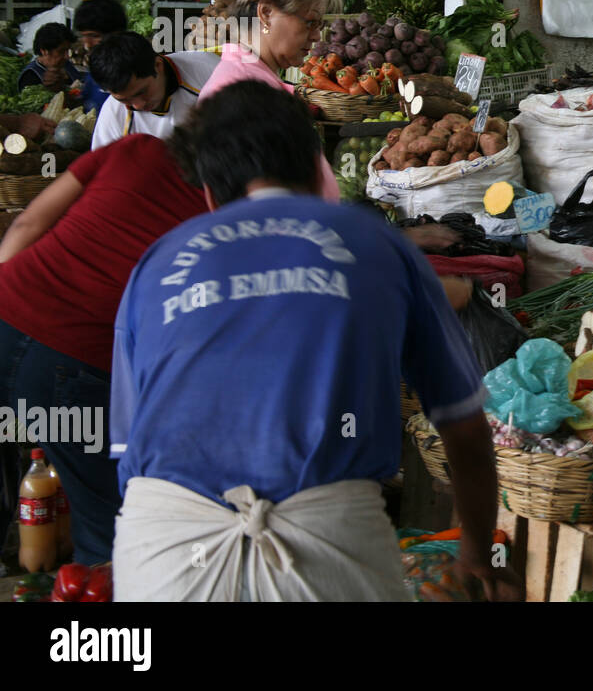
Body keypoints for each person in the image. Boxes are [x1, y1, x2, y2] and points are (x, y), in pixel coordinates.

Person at [109, 82, 517, 601]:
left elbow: (127, 455)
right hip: (327, 553)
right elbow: (463, 428)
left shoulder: (157, 263)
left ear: (209, 191)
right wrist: (479, 552)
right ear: (313, 167)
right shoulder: (375, 241)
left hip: (164, 560)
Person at [0, 133, 209, 565]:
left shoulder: (136, 148)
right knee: (108, 528)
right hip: (73, 361)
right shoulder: (220, 219)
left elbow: (25, 225)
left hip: (7, 303)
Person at [198, 0, 341, 200]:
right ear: (266, 13)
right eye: (310, 21)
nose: (317, 34)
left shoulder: (251, 81)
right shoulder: (244, 96)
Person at [88, 31, 219, 149]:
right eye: (125, 100)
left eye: (142, 92)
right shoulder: (113, 114)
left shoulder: (209, 71)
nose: (138, 105)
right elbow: (103, 168)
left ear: (158, 65)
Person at [71, 0, 125, 112]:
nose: (87, 44)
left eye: (94, 36)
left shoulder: (127, 75)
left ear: (116, 34)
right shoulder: (96, 68)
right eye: (83, 36)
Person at [18, 23, 82, 94]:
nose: (66, 56)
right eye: (61, 51)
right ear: (44, 51)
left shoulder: (66, 65)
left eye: (67, 50)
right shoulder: (30, 77)